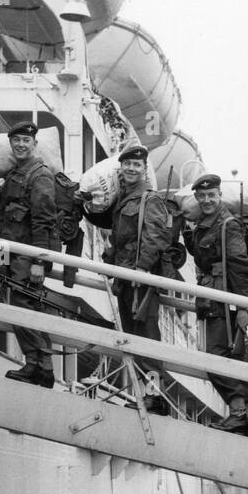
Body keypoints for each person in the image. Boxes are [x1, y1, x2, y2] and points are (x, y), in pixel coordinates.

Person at [86, 144, 180, 413]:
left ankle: (155, 397)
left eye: (136, 165)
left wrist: (142, 268)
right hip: (124, 280)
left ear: (143, 170)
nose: (130, 168)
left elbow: (156, 236)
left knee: (146, 339)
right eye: (127, 164)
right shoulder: (123, 201)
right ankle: (146, 395)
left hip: (141, 282)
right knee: (132, 339)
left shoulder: (149, 200)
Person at [184, 173, 248, 436]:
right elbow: (201, 255)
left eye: (211, 195)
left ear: (219, 196)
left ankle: (239, 413)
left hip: (224, 300)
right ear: (196, 198)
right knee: (234, 360)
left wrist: (242, 309)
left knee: (215, 359)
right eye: (202, 196)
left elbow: (240, 266)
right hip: (213, 298)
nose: (207, 200)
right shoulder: (203, 223)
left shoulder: (227, 224)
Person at [0, 122, 57, 387]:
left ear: (34, 145)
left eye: (25, 141)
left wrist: (39, 261)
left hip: (28, 255)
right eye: (15, 140)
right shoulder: (15, 172)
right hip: (11, 250)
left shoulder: (39, 175)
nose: (20, 145)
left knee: (25, 307)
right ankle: (40, 367)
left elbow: (44, 221)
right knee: (24, 306)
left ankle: (39, 366)